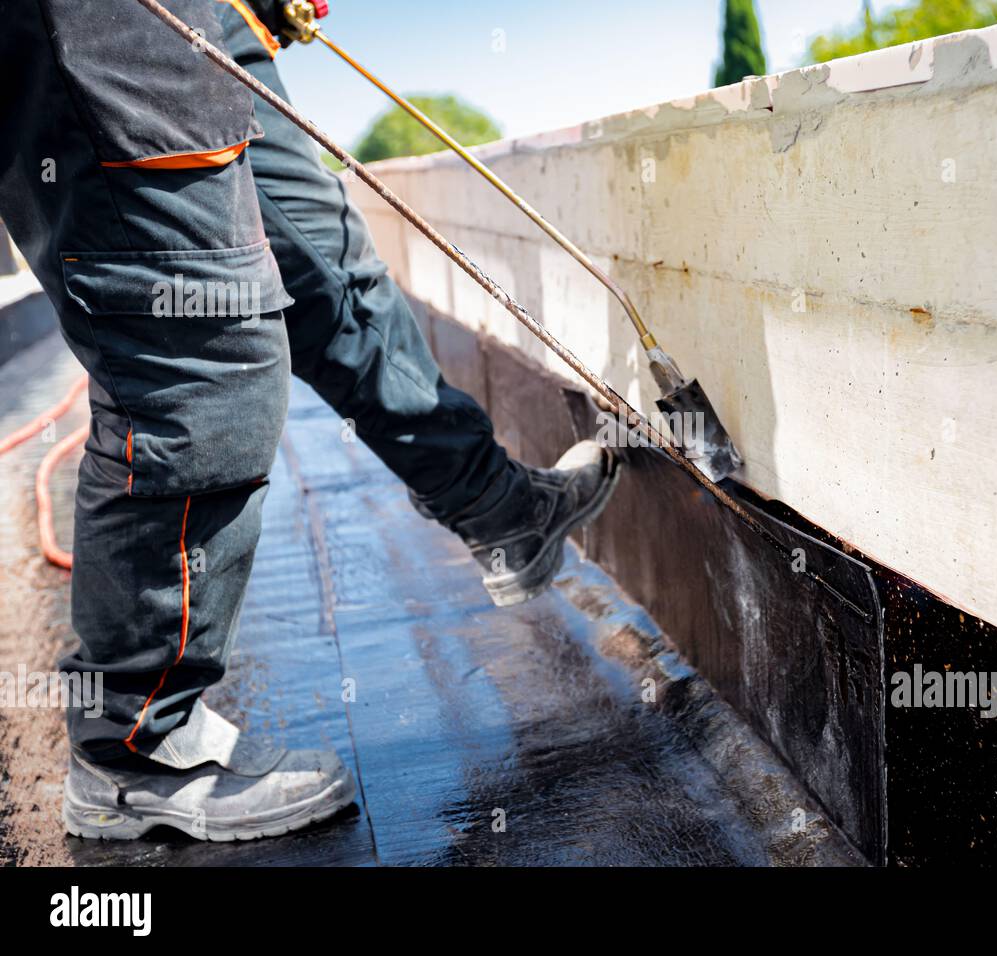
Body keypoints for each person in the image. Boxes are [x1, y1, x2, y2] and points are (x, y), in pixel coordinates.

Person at [0, 0, 620, 841]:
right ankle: (130, 750)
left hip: (204, 22)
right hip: (91, 28)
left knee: (328, 271)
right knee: (198, 363)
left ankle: (493, 507)